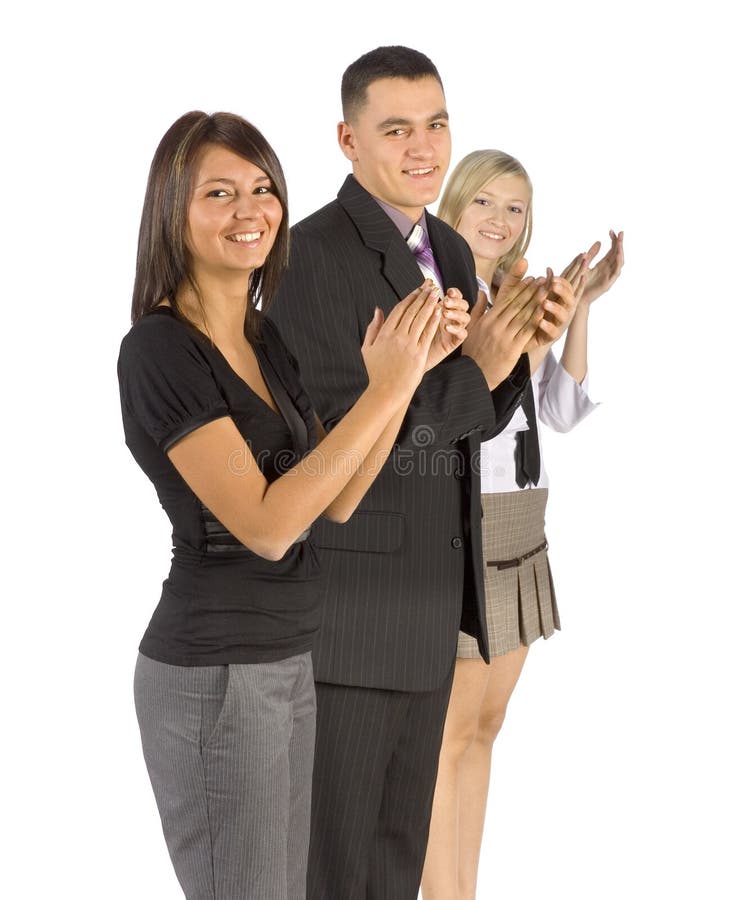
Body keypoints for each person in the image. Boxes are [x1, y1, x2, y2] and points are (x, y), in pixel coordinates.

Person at [117, 110, 463, 900]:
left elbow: (335, 500)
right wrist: (381, 389)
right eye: (219, 193)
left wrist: (405, 378)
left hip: (288, 655)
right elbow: (269, 527)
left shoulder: (263, 337)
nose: (251, 211)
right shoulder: (160, 351)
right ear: (172, 210)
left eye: (263, 189)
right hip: (217, 674)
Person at [269, 48, 578, 899]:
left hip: (434, 608)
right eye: (396, 129)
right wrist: (479, 369)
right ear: (348, 140)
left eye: (436, 124)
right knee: (337, 871)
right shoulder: (307, 259)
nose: (423, 147)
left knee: (397, 867)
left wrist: (521, 348)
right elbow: (341, 457)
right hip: (354, 621)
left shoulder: (444, 244)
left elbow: (465, 416)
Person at [421, 149, 624, 900]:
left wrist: (579, 311)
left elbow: (560, 412)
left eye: (514, 208)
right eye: (484, 202)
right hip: (463, 523)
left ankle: (462, 890)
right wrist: (528, 338)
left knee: (486, 727)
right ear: (454, 206)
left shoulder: (515, 294)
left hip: (522, 529)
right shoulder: (438, 299)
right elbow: (456, 420)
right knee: (445, 736)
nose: (499, 220)